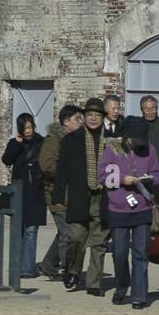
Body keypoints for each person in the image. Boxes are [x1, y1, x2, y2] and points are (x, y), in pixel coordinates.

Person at [99, 117, 159, 308]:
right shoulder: (112, 151)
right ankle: (121, 287)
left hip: (142, 208)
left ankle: (139, 295)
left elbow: (158, 176)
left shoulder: (150, 150)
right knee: (119, 252)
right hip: (118, 209)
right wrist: (121, 179)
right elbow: (102, 177)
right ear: (127, 136)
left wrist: (150, 180)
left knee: (140, 253)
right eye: (136, 138)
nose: (139, 142)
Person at [54, 97, 111, 296]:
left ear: (103, 118)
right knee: (76, 237)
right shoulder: (73, 138)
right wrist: (59, 194)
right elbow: (61, 169)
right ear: (84, 117)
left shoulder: (111, 139)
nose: (94, 118)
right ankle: (72, 269)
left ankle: (94, 283)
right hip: (80, 194)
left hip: (104, 195)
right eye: (90, 115)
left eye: (97, 115)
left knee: (99, 241)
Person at [38, 104, 82, 279]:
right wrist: (69, 171)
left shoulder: (75, 139)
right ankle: (69, 270)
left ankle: (48, 265)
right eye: (77, 119)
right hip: (56, 193)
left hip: (72, 193)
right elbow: (47, 166)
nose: (81, 122)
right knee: (68, 233)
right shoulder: (53, 140)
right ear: (66, 122)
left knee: (64, 232)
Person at [1, 113, 47, 278]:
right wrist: (17, 145)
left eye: (30, 127)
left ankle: (27, 268)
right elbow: (6, 160)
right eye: (25, 128)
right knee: (19, 229)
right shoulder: (15, 143)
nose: (28, 131)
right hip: (19, 191)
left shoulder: (41, 142)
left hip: (35, 191)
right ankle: (17, 266)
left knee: (31, 229)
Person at [132, 95, 159, 159]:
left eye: (153, 108)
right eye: (146, 109)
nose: (150, 112)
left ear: (157, 109)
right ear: (141, 110)